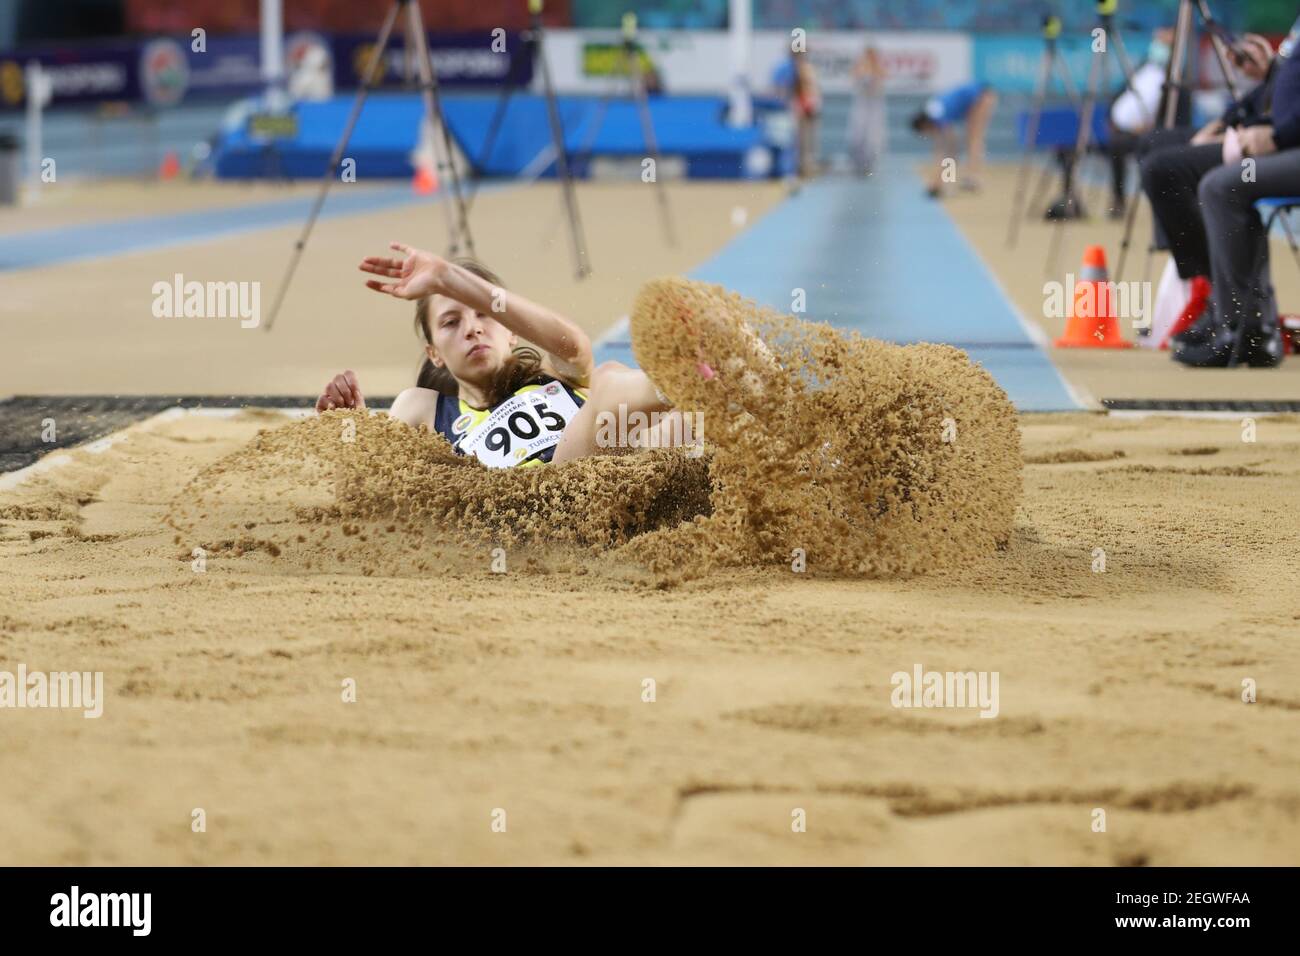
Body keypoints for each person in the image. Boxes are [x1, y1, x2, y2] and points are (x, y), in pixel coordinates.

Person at [316, 245, 696, 466]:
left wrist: (453, 279)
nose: (472, 328)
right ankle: (682, 378)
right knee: (611, 377)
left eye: (484, 314)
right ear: (435, 354)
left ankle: (717, 377)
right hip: (551, 502)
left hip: (631, 472)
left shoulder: (557, 375)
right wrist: (350, 433)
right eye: (451, 322)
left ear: (511, 331)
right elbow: (371, 494)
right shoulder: (424, 409)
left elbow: (574, 345)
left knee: (686, 422)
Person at [1136, 30, 1286, 365]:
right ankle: (1214, 287)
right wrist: (1269, 69)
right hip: (1261, 125)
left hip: (1280, 138)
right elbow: (1281, 86)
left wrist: (1271, 132)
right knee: (1153, 145)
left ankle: (1239, 312)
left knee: (1187, 176)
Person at [910, 81, 997, 196]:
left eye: (925, 132)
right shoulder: (933, 112)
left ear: (924, 125)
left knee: (974, 139)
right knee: (958, 145)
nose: (928, 134)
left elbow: (949, 146)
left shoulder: (936, 114)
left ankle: (973, 177)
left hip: (981, 96)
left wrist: (941, 181)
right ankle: (952, 181)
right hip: (976, 96)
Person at [846, 44, 887, 176]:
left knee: (873, 138)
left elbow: (881, 83)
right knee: (858, 135)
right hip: (862, 106)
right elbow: (853, 80)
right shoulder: (859, 67)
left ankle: (870, 164)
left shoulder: (879, 69)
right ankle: (856, 162)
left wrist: (873, 78)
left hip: (874, 107)